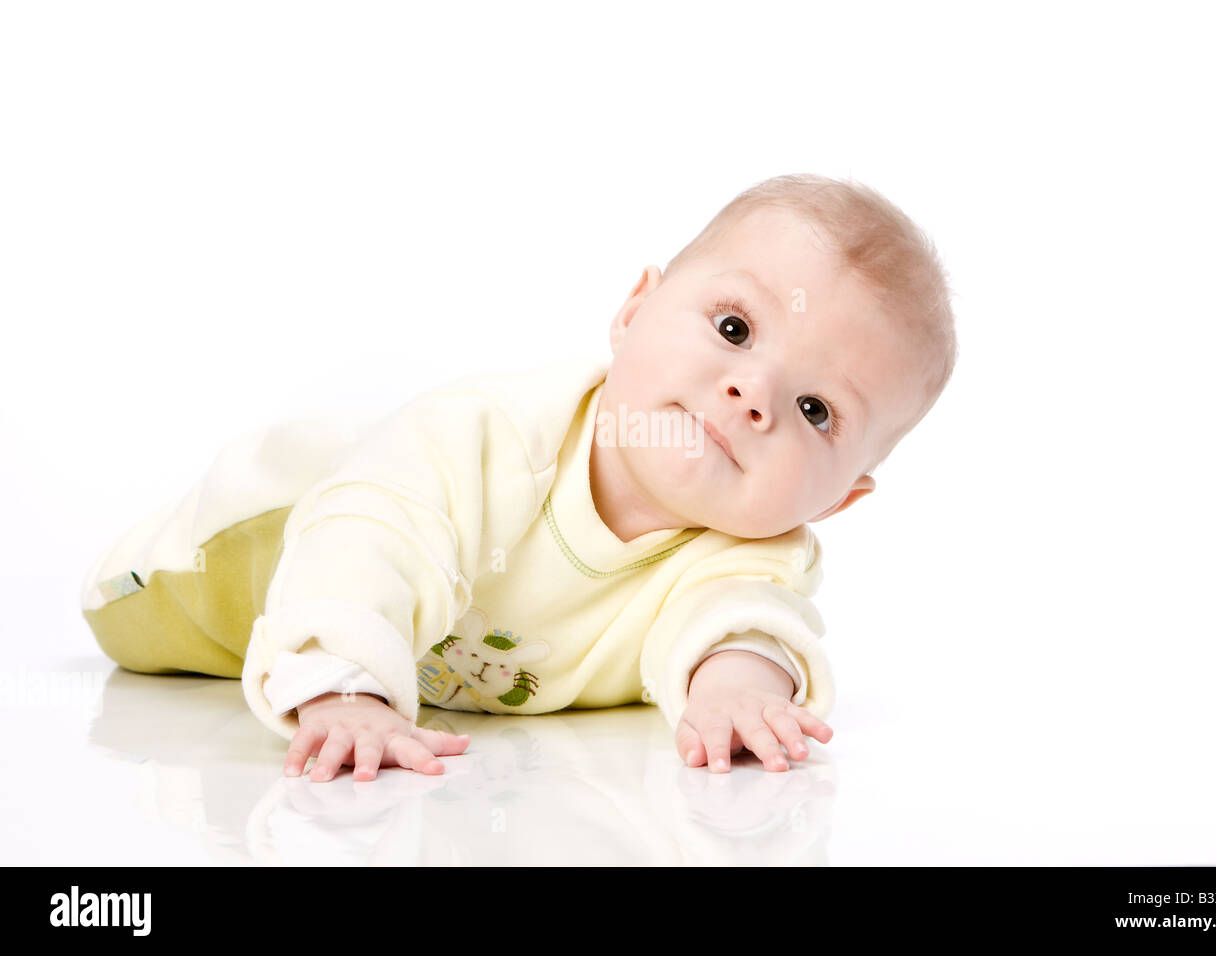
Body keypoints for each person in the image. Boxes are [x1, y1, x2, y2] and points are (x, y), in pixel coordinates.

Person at [80, 173, 957, 781]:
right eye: (734, 328)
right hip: (220, 569)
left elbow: (743, 626)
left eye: (816, 411)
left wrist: (736, 694)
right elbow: (369, 539)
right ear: (634, 309)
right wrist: (345, 687)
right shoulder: (488, 438)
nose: (752, 394)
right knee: (304, 517)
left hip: (438, 669)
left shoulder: (751, 555)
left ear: (841, 498)